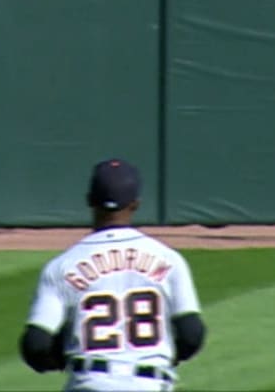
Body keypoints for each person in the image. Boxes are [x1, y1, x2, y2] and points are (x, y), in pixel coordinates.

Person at [19, 158, 206, 391]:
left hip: (90, 382)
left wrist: (60, 357)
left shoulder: (62, 266)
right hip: (149, 384)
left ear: (89, 200)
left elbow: (35, 344)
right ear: (135, 204)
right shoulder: (169, 260)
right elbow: (192, 335)